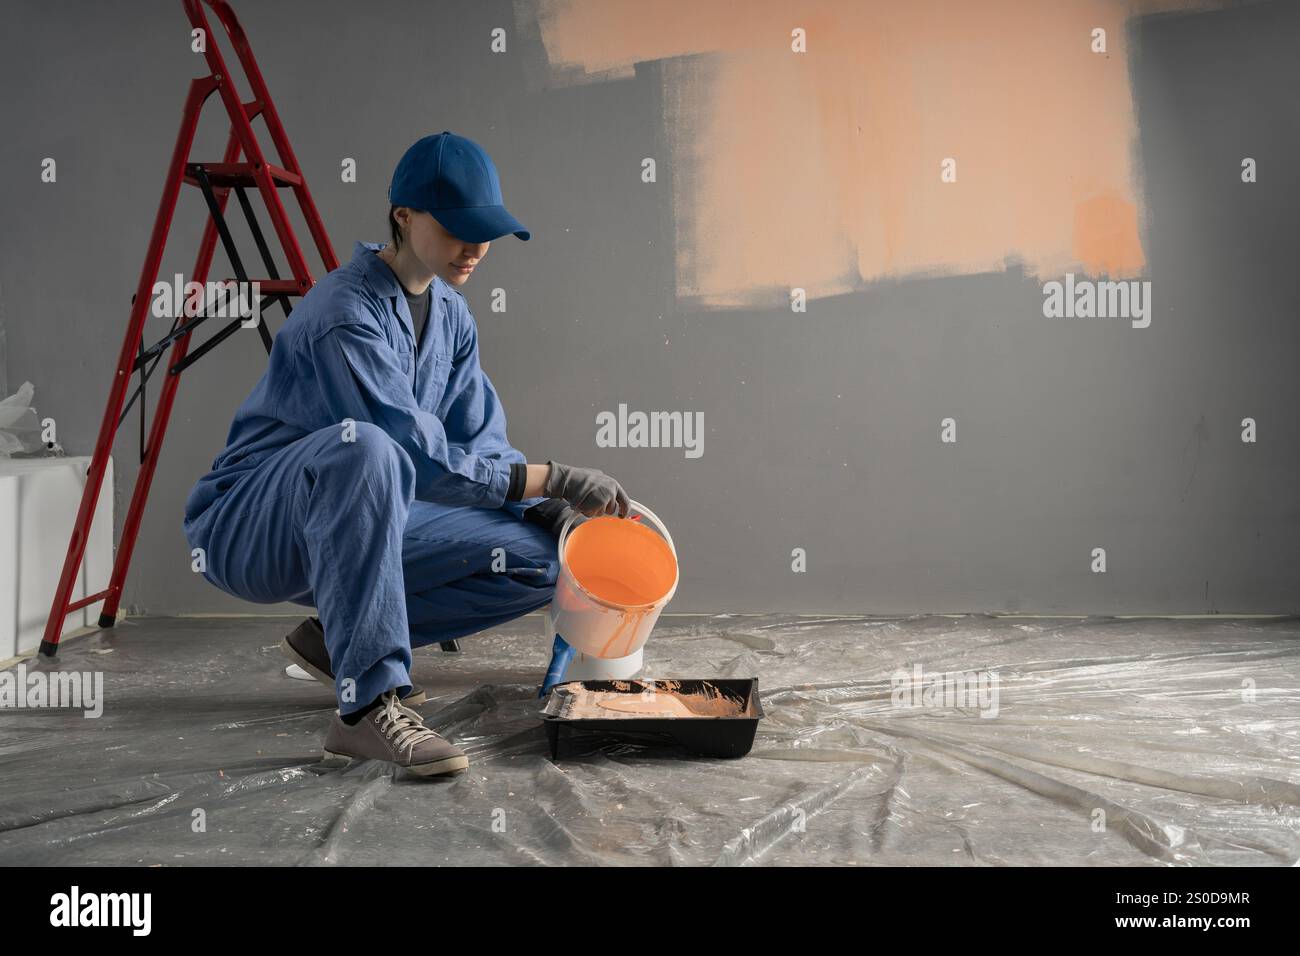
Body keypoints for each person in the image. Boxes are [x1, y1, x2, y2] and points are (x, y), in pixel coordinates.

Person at [182, 131, 630, 777]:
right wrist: (557, 477)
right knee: (366, 447)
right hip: (252, 525)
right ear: (403, 216)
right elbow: (417, 460)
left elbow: (481, 445)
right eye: (457, 228)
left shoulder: (451, 314)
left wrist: (550, 511)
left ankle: (344, 643)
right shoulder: (345, 313)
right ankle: (365, 709)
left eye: (486, 233)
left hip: (365, 516)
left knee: (543, 560)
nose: (475, 248)